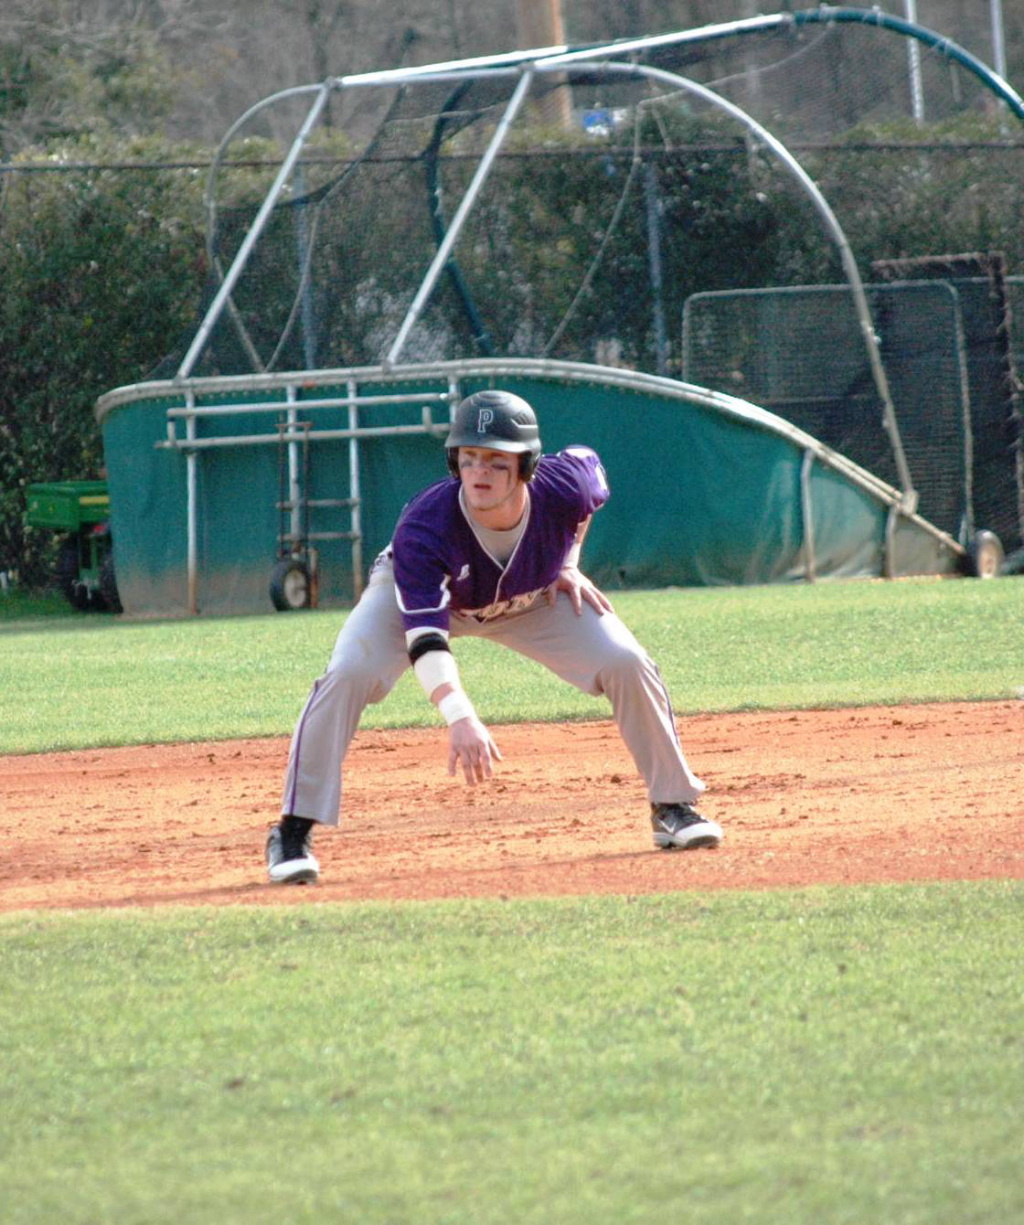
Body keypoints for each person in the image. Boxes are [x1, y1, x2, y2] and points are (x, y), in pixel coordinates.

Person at [266, 389, 722, 884]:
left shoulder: (563, 487)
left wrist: (567, 562)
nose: (479, 473)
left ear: (526, 467)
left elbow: (588, 479)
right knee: (350, 672)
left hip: (528, 598)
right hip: (425, 599)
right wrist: (459, 716)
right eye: (469, 458)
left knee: (626, 661)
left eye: (497, 462)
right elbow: (425, 641)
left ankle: (673, 806)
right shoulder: (424, 526)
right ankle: (292, 830)